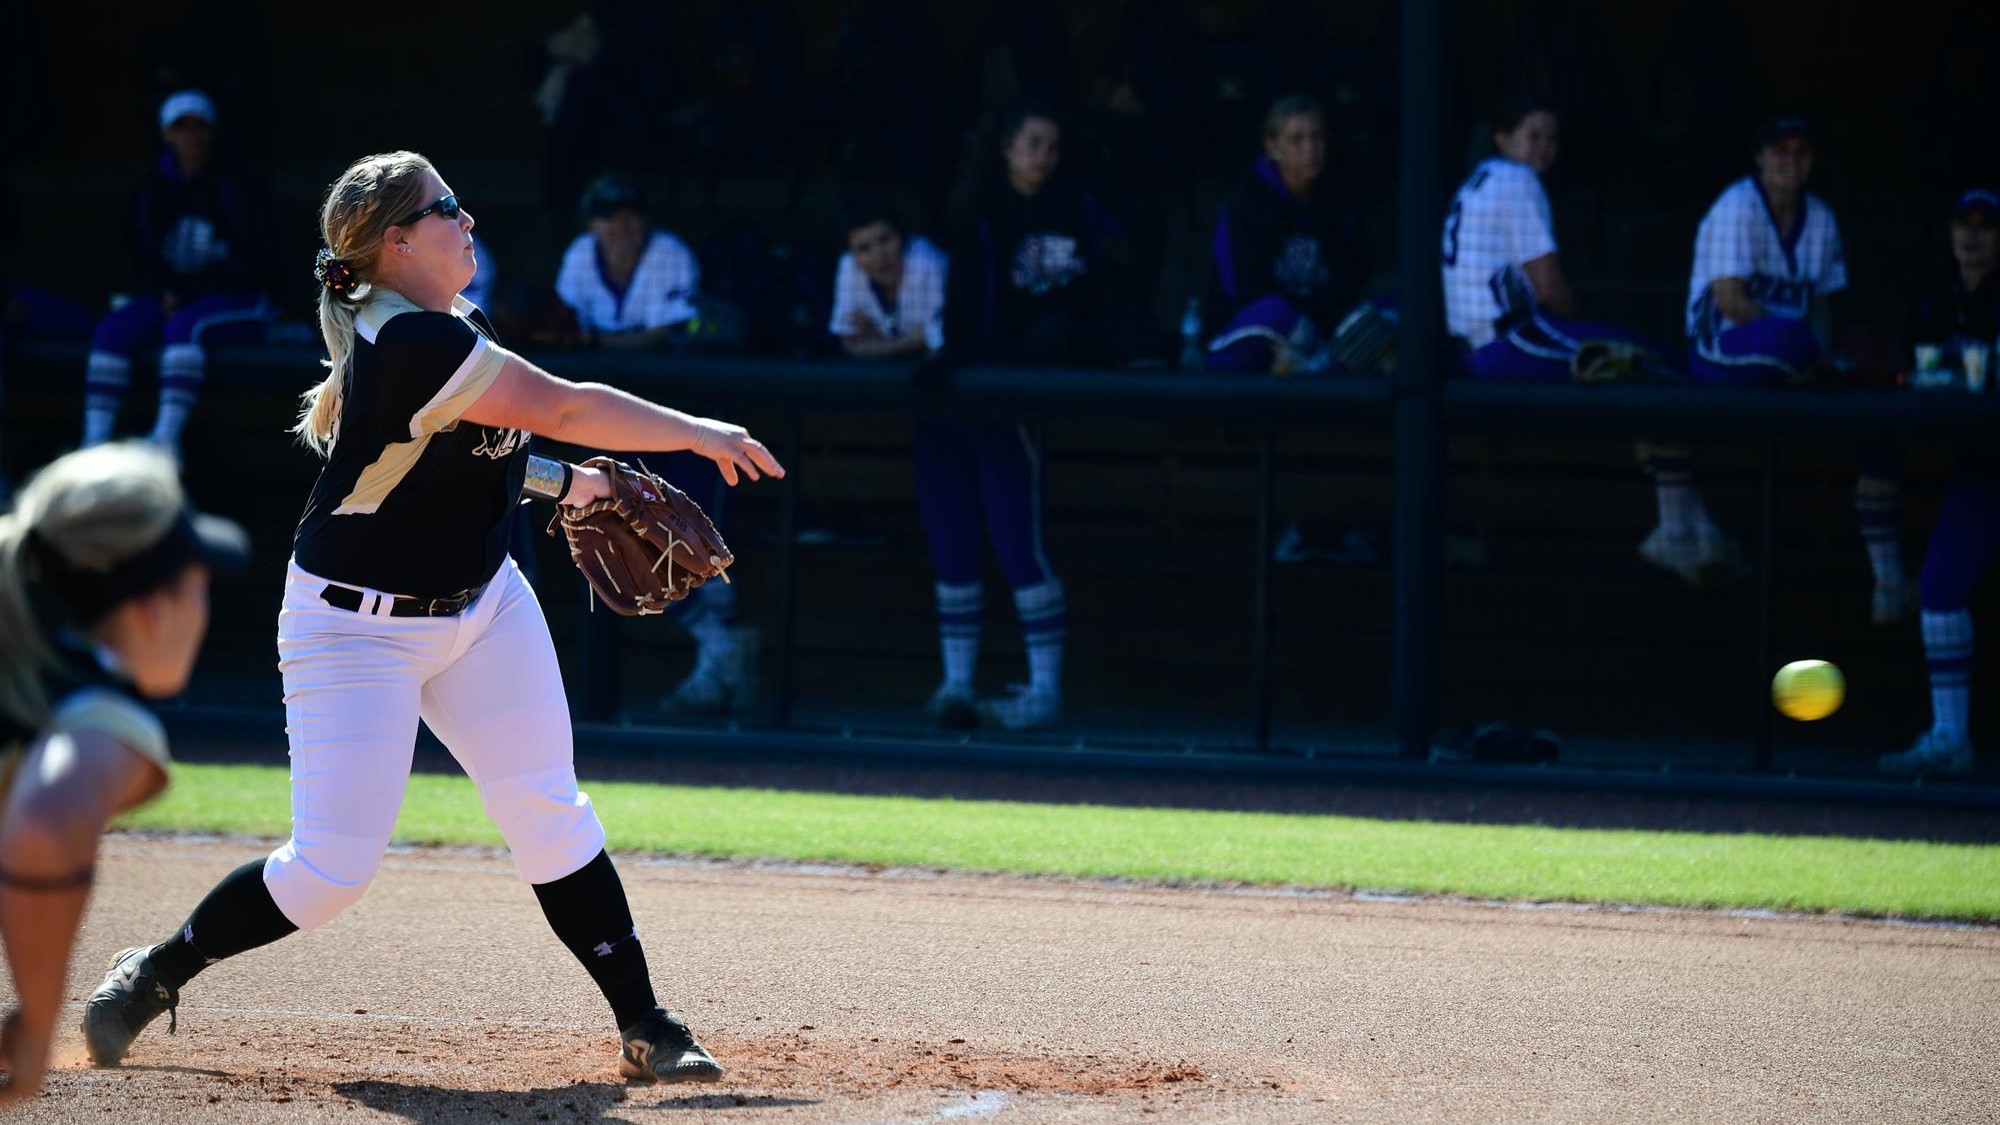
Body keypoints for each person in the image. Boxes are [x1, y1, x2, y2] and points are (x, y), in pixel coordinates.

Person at [79, 151, 784, 1084]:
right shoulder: (414, 343)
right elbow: (567, 403)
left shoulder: (453, 323)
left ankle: (647, 1022)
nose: (469, 220)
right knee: (331, 871)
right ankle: (159, 970)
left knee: (548, 810)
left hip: (482, 605)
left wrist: (577, 483)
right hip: (352, 629)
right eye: (447, 208)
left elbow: (483, 456)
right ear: (397, 242)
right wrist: (697, 431)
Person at [0, 443, 245, 1103]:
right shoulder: (100, 715)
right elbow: (47, 823)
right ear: (152, 607)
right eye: (200, 581)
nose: (207, 604)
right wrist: (40, 1014)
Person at [923, 105, 1140, 730]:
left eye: (1052, 145)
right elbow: (966, 309)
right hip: (963, 403)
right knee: (956, 547)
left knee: (1022, 547)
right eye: (1032, 144)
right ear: (1007, 149)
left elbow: (1107, 283)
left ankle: (1045, 691)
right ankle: (956, 686)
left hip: (1020, 407)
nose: (1042, 156)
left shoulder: (1080, 210)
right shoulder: (979, 218)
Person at [552, 175, 750, 715]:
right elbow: (570, 323)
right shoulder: (578, 256)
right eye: (608, 215)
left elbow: (665, 333)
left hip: (679, 417)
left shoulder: (669, 254)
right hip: (610, 423)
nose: (620, 224)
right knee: (630, 539)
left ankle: (724, 653)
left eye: (629, 213)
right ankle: (721, 653)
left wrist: (594, 343)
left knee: (696, 536)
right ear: (592, 222)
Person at [81, 90, 275, 461]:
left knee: (184, 328)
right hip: (171, 295)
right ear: (165, 134)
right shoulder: (151, 188)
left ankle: (164, 443)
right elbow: (139, 255)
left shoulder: (238, 183)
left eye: (199, 126)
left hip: (238, 297)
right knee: (112, 331)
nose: (191, 136)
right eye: (181, 127)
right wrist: (164, 290)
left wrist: (186, 292)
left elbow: (256, 261)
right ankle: (93, 445)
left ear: (212, 132)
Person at [1878, 188, 2000, 778]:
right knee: (1941, 588)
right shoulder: (1933, 293)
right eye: (1963, 224)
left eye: (1986, 226)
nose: (1973, 235)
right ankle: (1950, 739)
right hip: (1983, 468)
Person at [1441, 92, 1663, 383]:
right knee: (1655, 361)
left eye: (1551, 138)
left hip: (1470, 347)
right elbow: (1549, 289)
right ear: (1502, 138)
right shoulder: (1517, 177)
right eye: (1533, 136)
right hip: (1508, 343)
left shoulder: (1481, 176)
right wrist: (1578, 325)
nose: (1544, 147)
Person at [1208, 95, 1370, 374]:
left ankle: (1313, 367)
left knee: (1388, 312)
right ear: (1273, 147)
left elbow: (1351, 281)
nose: (1310, 149)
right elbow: (1245, 292)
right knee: (1274, 313)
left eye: (1317, 137)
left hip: (1319, 335)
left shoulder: (1338, 201)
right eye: (1296, 140)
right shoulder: (1246, 204)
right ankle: (1320, 367)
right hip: (1248, 335)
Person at [829, 199, 947, 361]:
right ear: (853, 254)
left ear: (902, 238)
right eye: (864, 248)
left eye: (885, 240)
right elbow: (850, 343)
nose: (879, 256)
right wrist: (909, 342)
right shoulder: (849, 264)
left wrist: (880, 342)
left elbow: (941, 344)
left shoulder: (928, 263)